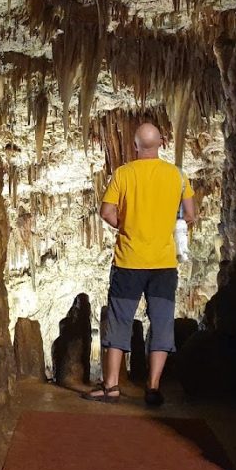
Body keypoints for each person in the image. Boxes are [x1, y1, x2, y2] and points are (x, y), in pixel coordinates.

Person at [83, 122, 195, 407]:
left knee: (120, 321)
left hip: (129, 261)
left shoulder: (124, 174)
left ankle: (111, 387)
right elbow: (191, 215)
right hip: (163, 264)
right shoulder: (178, 176)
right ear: (161, 143)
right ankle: (153, 386)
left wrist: (126, 227)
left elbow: (106, 211)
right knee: (161, 323)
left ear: (135, 146)